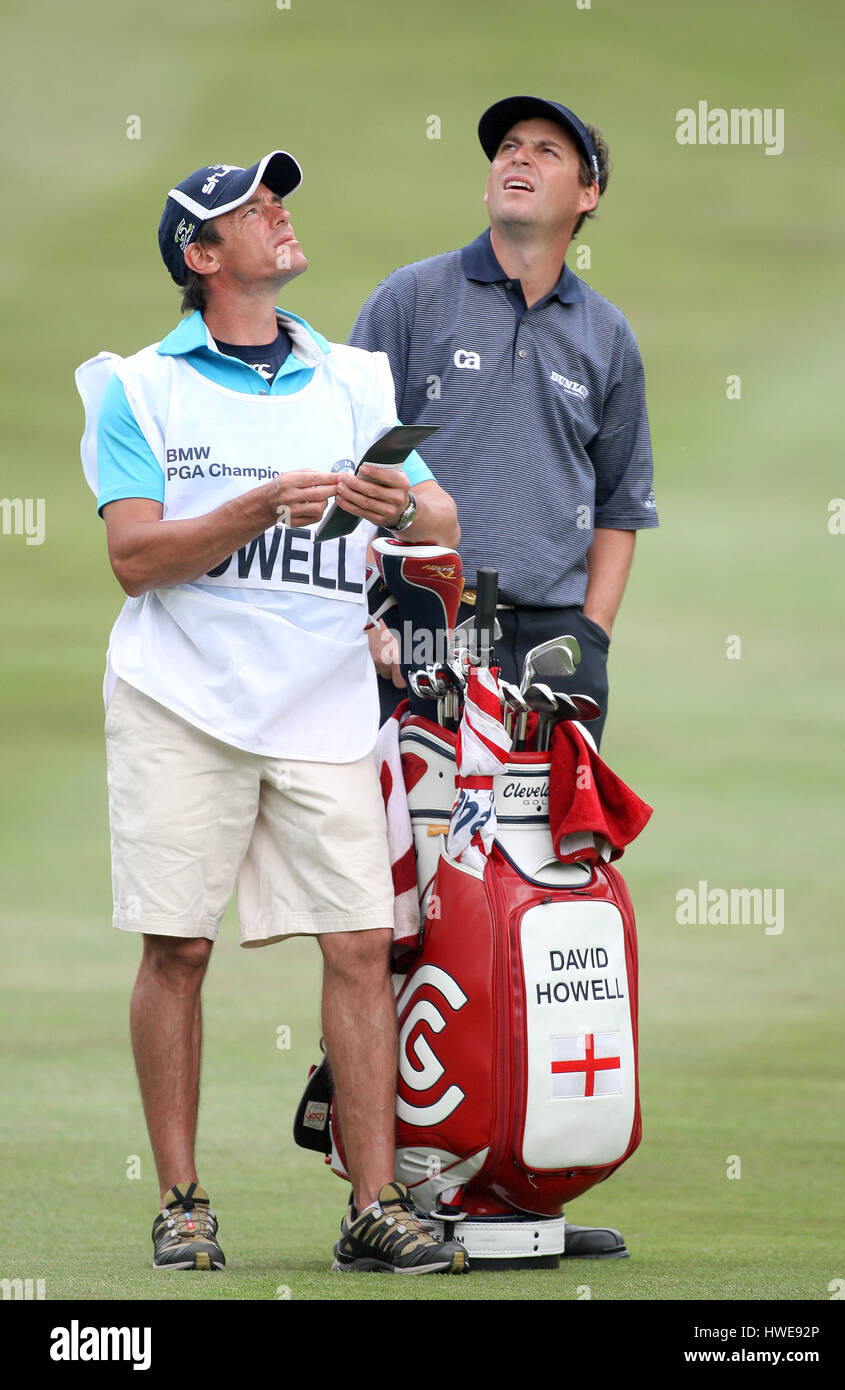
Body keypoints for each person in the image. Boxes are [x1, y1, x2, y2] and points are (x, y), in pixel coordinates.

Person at [81, 149, 467, 1275]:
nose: (278, 215)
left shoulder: (352, 376)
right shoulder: (137, 387)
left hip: (325, 699)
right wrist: (254, 506)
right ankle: (182, 1198)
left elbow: (436, 522)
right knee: (179, 948)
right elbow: (134, 558)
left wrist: (407, 498)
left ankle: (371, 1203)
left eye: (276, 199)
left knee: (359, 943)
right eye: (249, 211)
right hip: (180, 701)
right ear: (201, 259)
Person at [349, 96, 659, 1257]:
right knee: (411, 911)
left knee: (524, 908)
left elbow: (622, 505)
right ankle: (389, 1191)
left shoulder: (605, 335)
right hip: (422, 622)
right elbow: (354, 461)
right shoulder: (416, 298)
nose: (517, 162)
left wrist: (589, 634)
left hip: (543, 643)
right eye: (506, 150)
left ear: (585, 198)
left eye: (548, 153)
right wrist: (373, 612)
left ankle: (512, 1179)